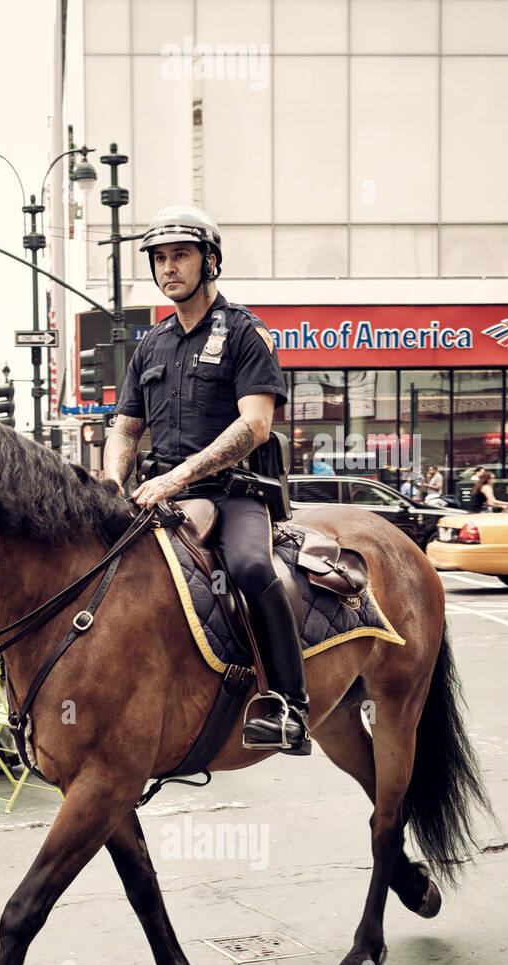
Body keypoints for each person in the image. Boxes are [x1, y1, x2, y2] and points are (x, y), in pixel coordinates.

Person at [103, 204, 306, 754]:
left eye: (181, 256)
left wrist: (181, 475)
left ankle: (289, 705)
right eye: (160, 259)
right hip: (158, 494)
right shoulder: (150, 344)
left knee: (249, 566)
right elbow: (124, 428)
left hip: (233, 493)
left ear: (209, 262)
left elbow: (257, 424)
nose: (169, 268)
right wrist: (110, 482)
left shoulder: (246, 332)